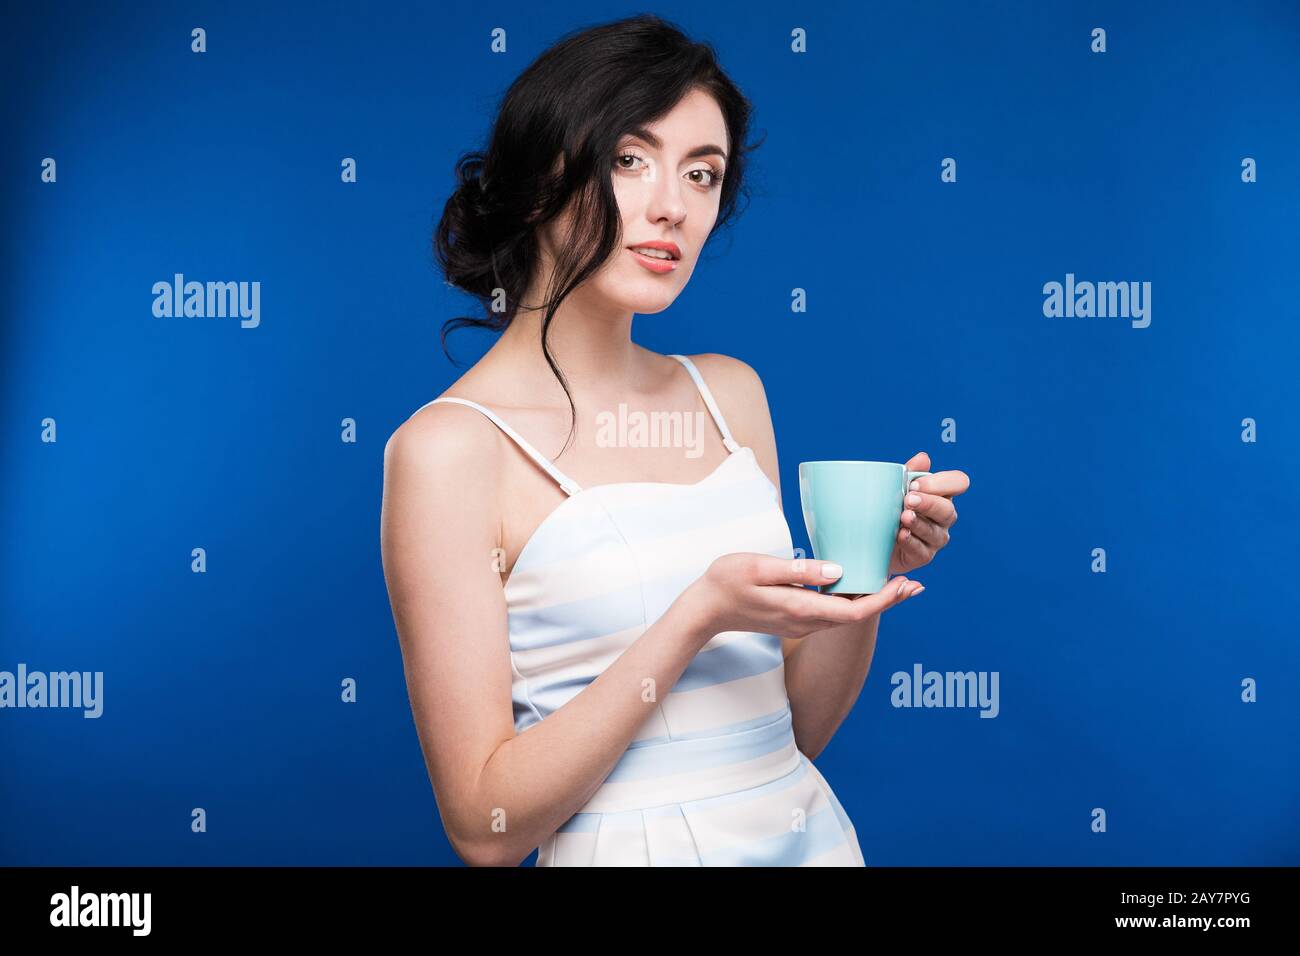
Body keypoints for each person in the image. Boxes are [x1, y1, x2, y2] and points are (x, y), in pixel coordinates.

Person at [380, 13, 967, 866]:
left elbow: (793, 730)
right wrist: (696, 615)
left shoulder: (729, 392)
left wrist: (864, 579)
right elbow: (483, 826)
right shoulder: (447, 450)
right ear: (543, 177)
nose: (672, 207)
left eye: (703, 174)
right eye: (630, 159)